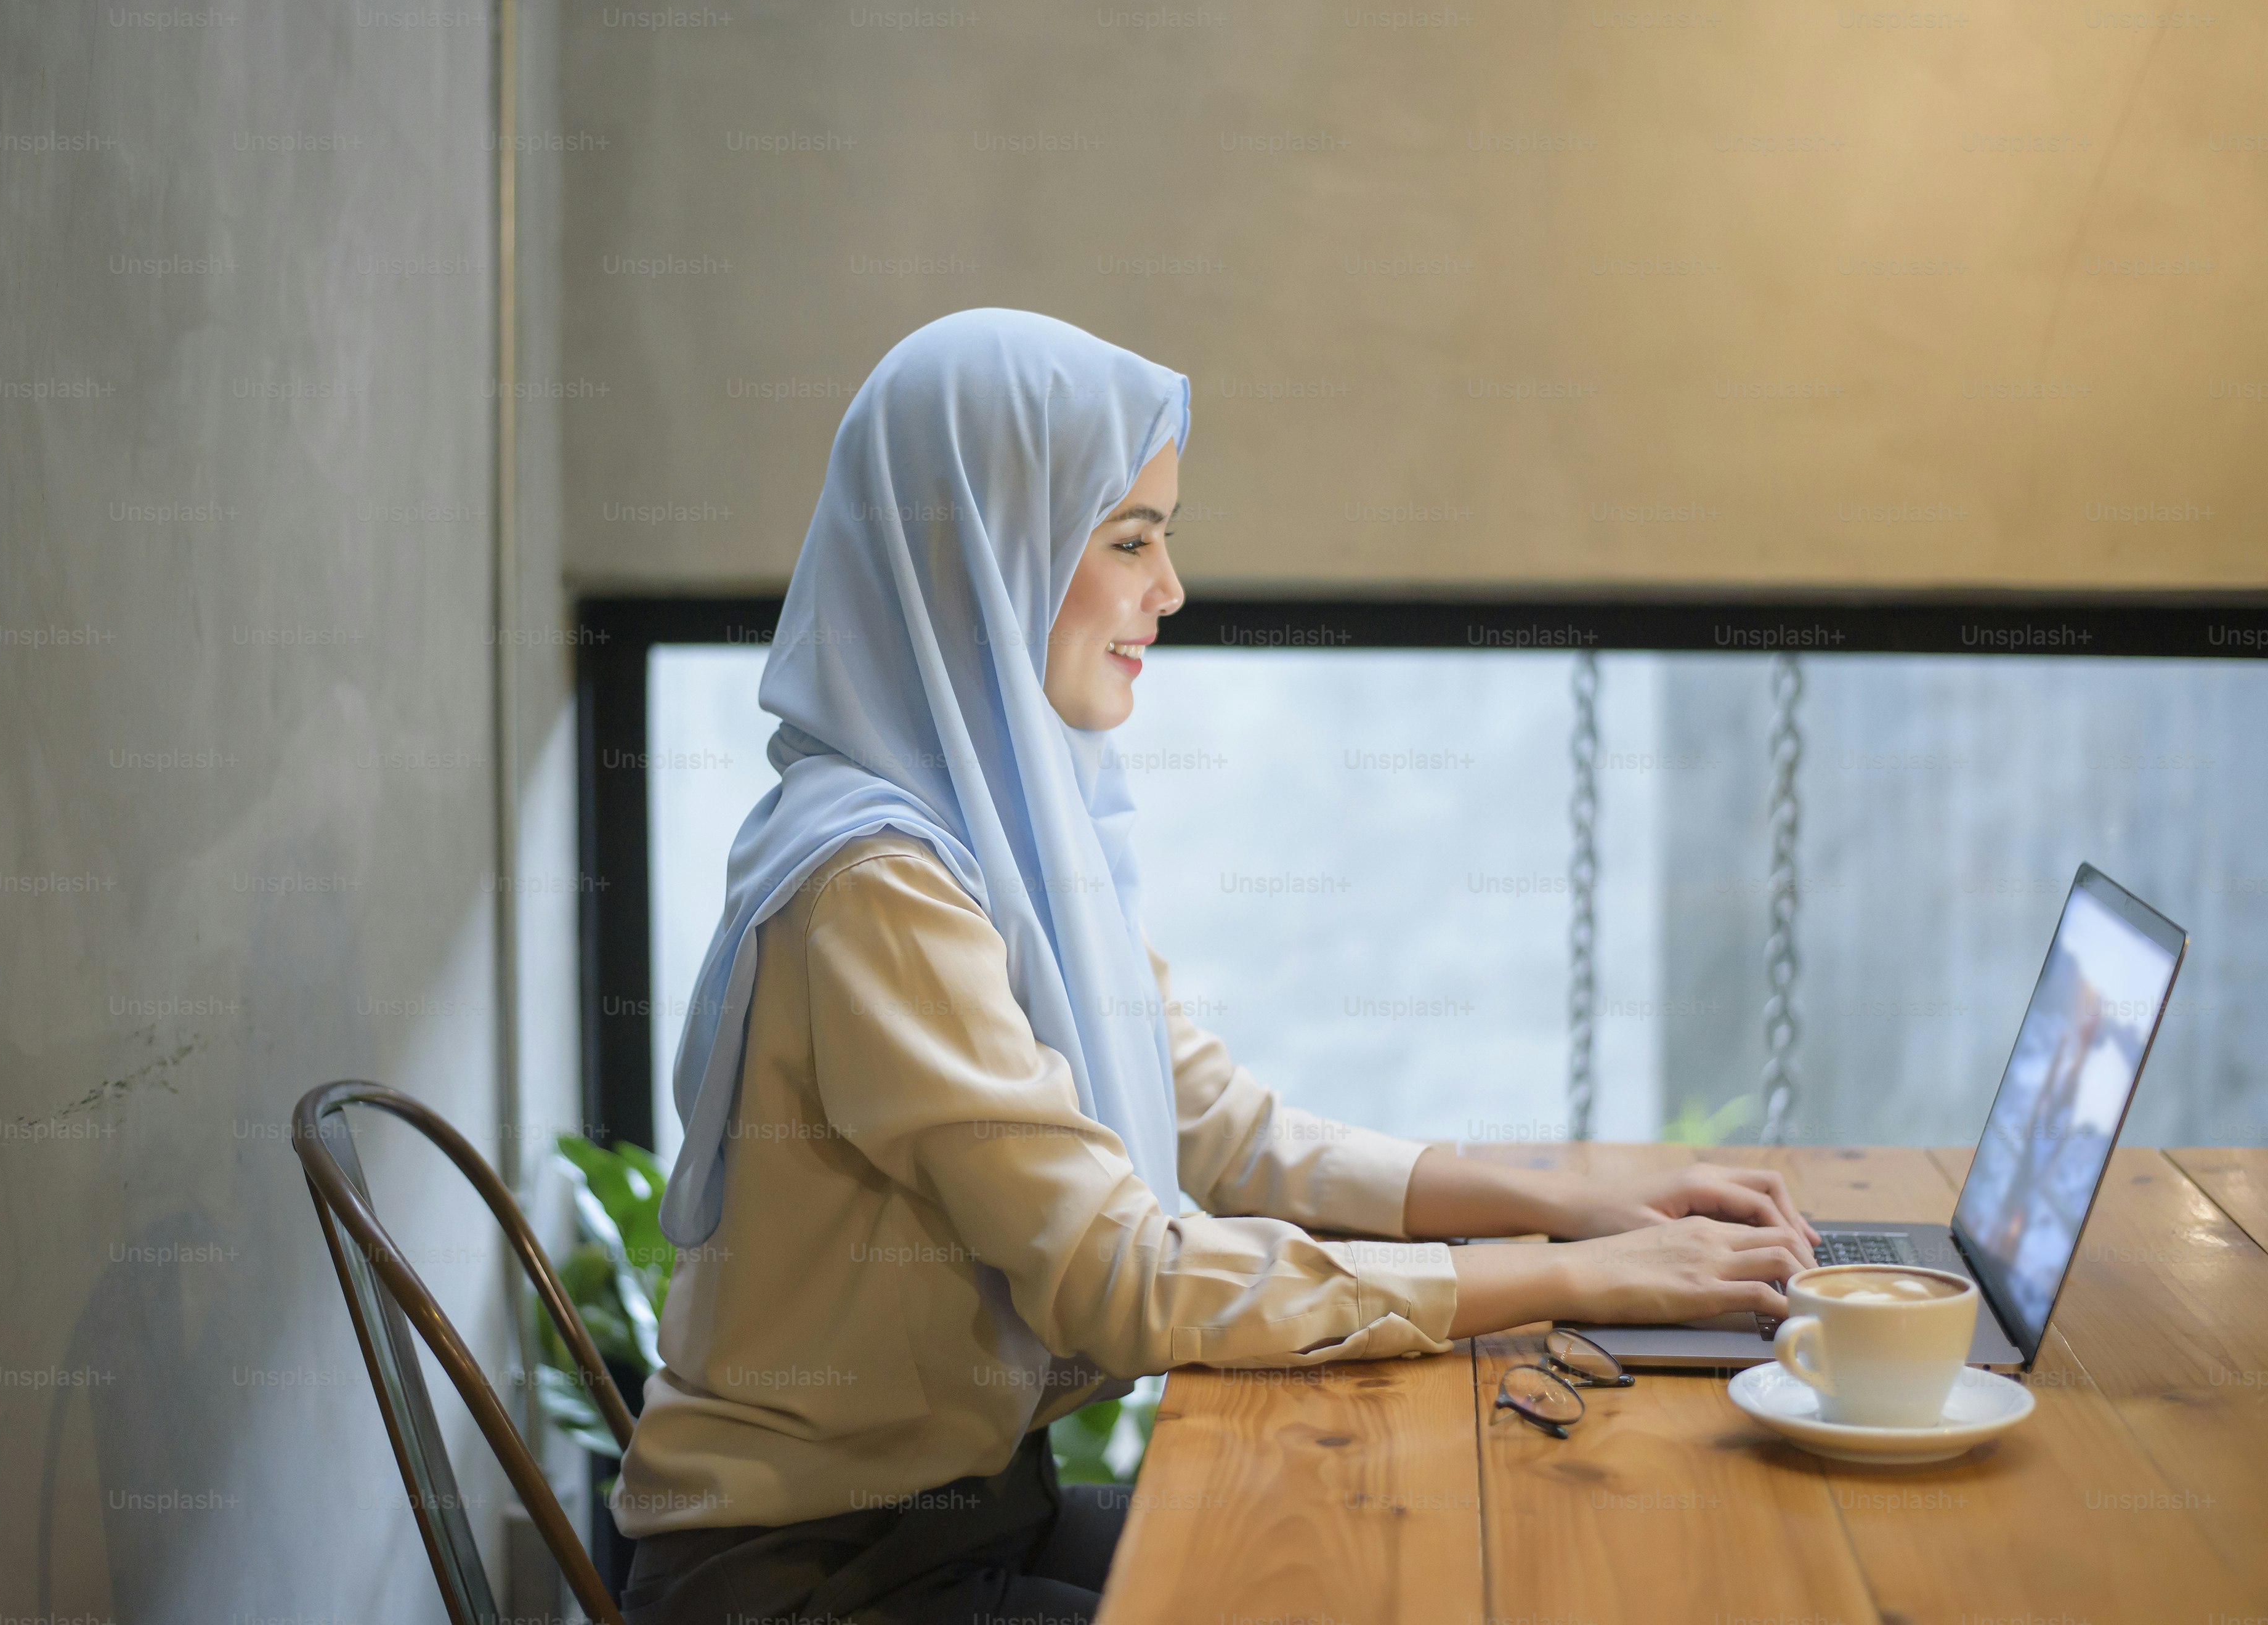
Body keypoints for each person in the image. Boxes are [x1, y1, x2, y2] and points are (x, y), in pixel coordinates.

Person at [614, 309, 1820, 1625]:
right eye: (1128, 538)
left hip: (963, 1509)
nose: (1168, 590)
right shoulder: (877, 884)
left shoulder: (998, 826)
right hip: (805, 1576)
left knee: (1367, 1558)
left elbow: (1225, 1132)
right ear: (985, 557)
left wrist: (1574, 1206)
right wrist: (1566, 1282)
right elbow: (1120, 1280)